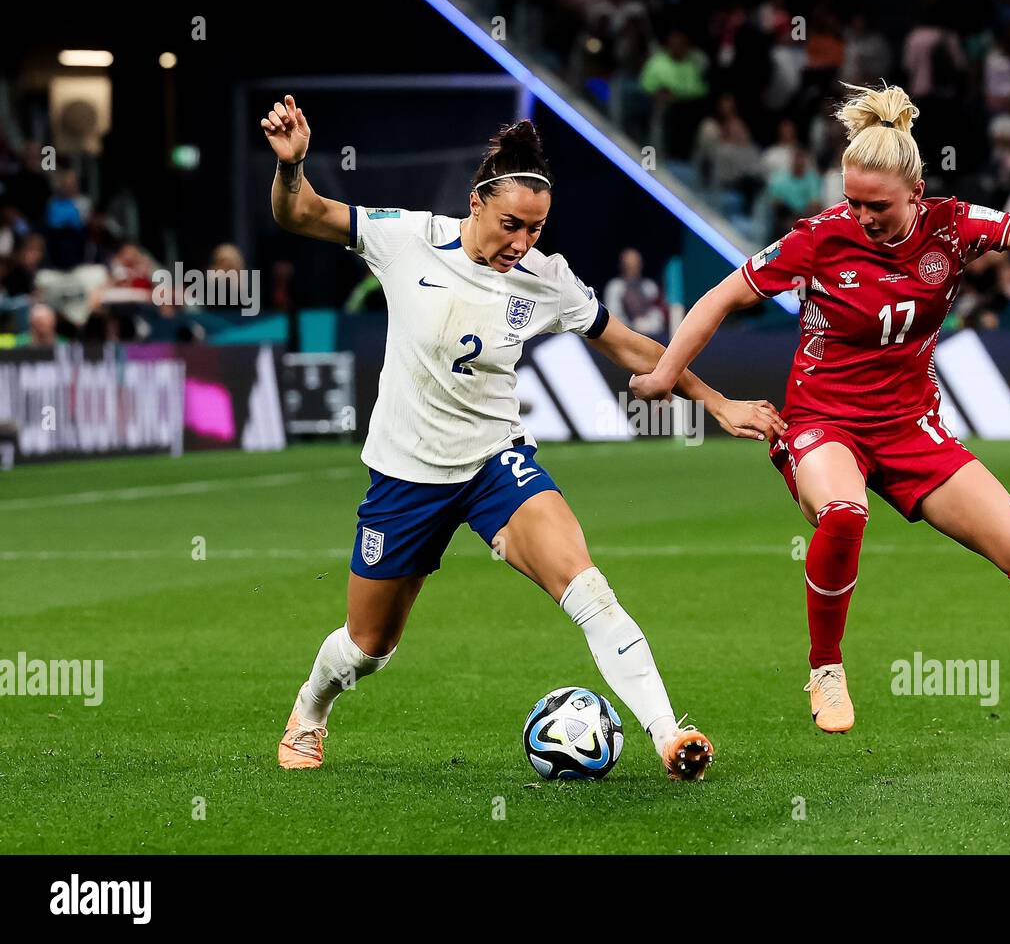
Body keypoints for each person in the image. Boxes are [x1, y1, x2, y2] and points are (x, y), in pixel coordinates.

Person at [630, 83, 1010, 746]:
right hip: (823, 422)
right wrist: (669, 374)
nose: (863, 216)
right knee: (846, 513)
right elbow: (718, 298)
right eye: (853, 201)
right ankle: (825, 668)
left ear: (915, 191)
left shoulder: (952, 225)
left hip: (912, 429)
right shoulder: (818, 239)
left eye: (876, 205)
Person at [263, 95, 784, 780]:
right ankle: (309, 712)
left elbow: (628, 345)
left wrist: (714, 402)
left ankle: (667, 734)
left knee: (588, 587)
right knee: (368, 645)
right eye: (512, 225)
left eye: (535, 230)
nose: (522, 244)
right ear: (477, 203)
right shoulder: (405, 237)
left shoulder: (547, 280)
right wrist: (294, 167)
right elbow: (298, 213)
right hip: (406, 475)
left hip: (493, 464)